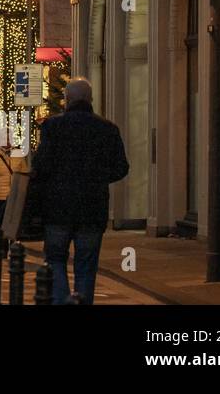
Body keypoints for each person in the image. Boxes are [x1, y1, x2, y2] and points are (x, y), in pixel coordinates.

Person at [29, 78, 129, 305]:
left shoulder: (53, 127)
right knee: (86, 264)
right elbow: (121, 168)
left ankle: (62, 301)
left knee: (55, 259)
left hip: (57, 208)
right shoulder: (107, 129)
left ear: (67, 100)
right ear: (90, 99)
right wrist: (97, 178)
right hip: (92, 209)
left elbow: (41, 167)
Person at [0, 138, 27, 228]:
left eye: (9, 138)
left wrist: (23, 189)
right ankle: (1, 238)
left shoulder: (18, 154)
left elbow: (24, 173)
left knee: (13, 220)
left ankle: (10, 239)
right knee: (2, 220)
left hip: (14, 193)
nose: (7, 141)